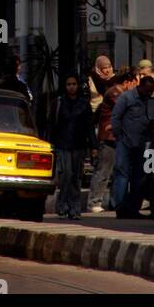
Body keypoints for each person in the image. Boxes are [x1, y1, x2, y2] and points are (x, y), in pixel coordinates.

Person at [88, 66, 137, 213]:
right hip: (109, 137)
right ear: (128, 82)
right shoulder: (115, 93)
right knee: (103, 171)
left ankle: (116, 202)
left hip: (119, 137)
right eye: (135, 82)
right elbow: (126, 109)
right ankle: (94, 202)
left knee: (118, 172)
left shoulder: (122, 93)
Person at [51, 74, 96, 220]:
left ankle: (75, 209)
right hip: (62, 145)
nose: (71, 87)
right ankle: (62, 207)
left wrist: (93, 146)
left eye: (74, 84)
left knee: (76, 178)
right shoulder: (59, 102)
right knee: (65, 176)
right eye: (69, 84)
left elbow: (89, 126)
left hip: (79, 145)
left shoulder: (84, 104)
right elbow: (51, 124)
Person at [111, 74, 154, 217]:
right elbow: (116, 117)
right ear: (140, 86)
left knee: (140, 176)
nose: (149, 93)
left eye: (151, 91)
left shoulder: (150, 101)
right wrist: (119, 136)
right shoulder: (126, 98)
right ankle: (119, 206)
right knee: (122, 174)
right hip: (125, 142)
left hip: (142, 144)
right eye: (147, 90)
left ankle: (133, 207)